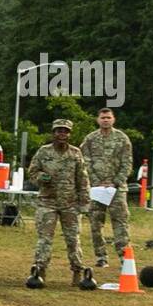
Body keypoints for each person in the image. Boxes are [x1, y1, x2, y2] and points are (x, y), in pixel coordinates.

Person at [27, 118, 89, 286]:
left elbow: (82, 179)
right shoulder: (43, 152)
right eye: (59, 131)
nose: (62, 134)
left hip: (70, 203)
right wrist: (41, 177)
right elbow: (32, 173)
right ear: (53, 133)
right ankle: (40, 271)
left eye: (66, 131)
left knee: (73, 239)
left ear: (69, 134)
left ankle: (77, 272)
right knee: (44, 238)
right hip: (48, 202)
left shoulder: (76, 153)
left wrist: (84, 203)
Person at [79, 107, 133, 267]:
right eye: (103, 117)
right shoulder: (90, 139)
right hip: (96, 189)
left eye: (108, 117)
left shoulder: (122, 139)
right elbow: (84, 162)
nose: (105, 120)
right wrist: (96, 181)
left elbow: (127, 162)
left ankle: (124, 256)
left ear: (113, 119)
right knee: (96, 224)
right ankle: (101, 257)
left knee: (121, 223)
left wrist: (116, 181)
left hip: (117, 189)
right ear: (98, 120)